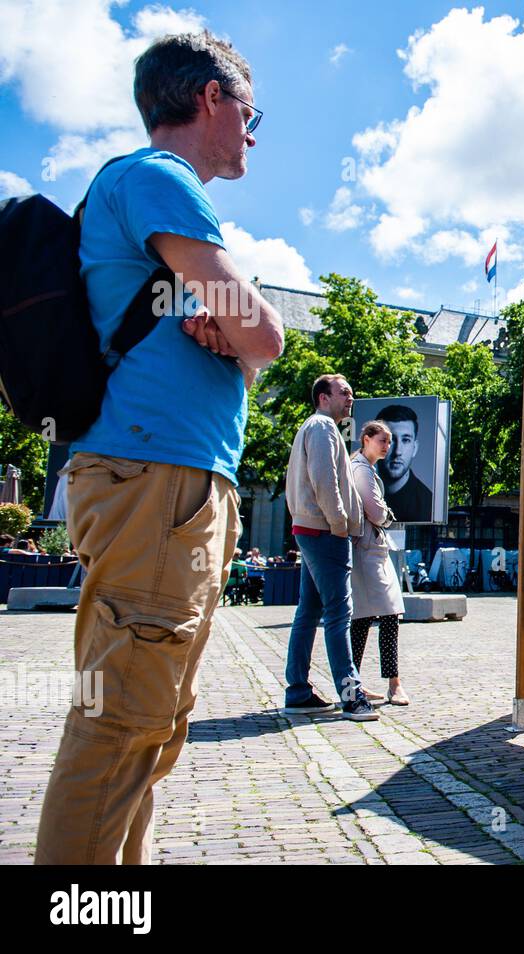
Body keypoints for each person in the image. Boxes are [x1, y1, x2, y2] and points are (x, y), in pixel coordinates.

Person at [35, 30, 285, 865]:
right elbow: (267, 336)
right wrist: (245, 333)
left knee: (146, 726)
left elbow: (241, 345)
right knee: (121, 728)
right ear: (210, 97)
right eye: (252, 115)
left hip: (169, 479)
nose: (252, 134)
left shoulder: (154, 206)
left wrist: (236, 337)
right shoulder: (157, 178)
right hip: (156, 480)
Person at [283, 374, 376, 721]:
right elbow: (325, 481)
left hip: (312, 529)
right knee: (339, 613)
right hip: (325, 533)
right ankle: (352, 697)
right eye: (344, 392)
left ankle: (298, 691)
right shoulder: (323, 428)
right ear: (323, 397)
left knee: (308, 611)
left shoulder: (315, 427)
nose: (350, 398)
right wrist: (340, 526)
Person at [348, 421, 410, 706]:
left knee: (363, 618)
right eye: (382, 440)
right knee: (387, 614)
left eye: (389, 441)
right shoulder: (361, 469)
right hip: (368, 549)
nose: (387, 446)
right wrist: (387, 517)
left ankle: (353, 682)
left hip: (368, 548)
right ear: (366, 439)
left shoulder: (363, 468)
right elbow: (375, 510)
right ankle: (392, 683)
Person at [375, 403, 434, 523]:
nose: (397, 452)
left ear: (415, 448)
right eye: (389, 440)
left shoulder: (428, 504)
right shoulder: (358, 491)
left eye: (406, 440)